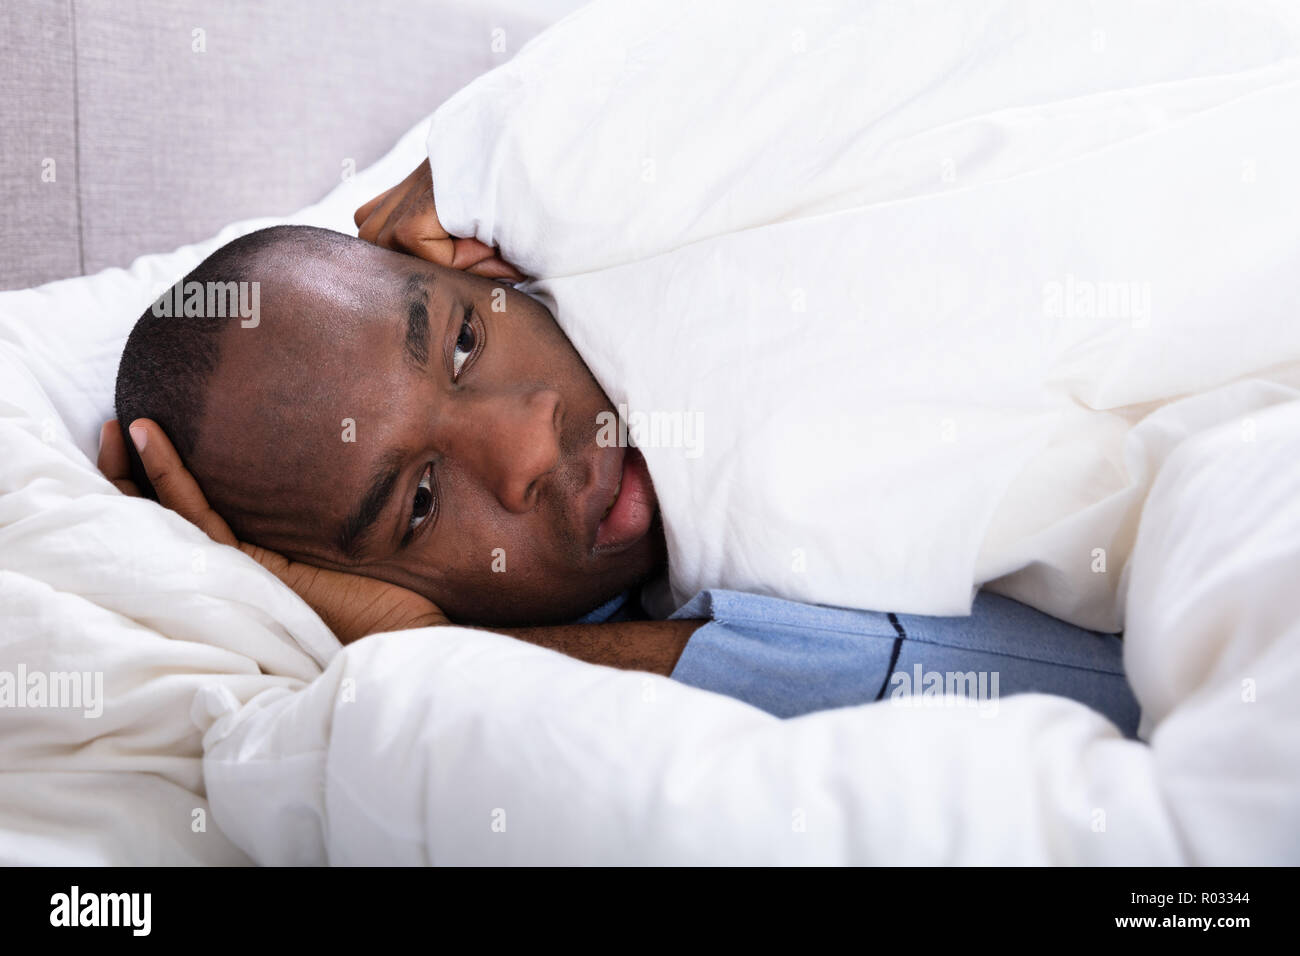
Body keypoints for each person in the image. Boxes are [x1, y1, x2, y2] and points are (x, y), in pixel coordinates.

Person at [101, 219, 1139, 735]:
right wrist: (440, 653)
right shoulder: (551, 718)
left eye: (463, 342)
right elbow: (1097, 704)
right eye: (418, 502)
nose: (525, 440)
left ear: (476, 267)